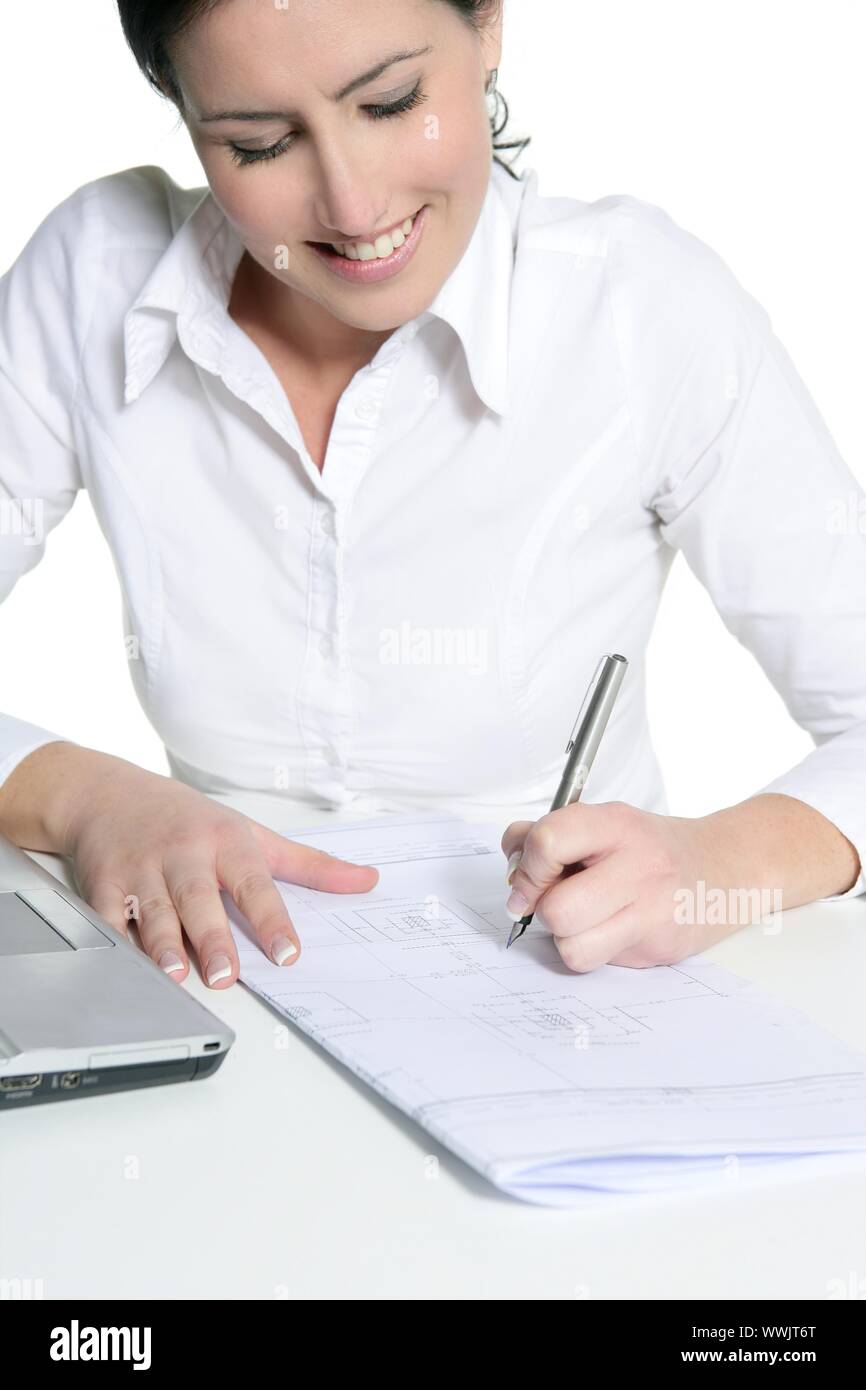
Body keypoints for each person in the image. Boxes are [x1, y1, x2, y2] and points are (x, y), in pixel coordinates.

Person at [1, 0, 864, 990]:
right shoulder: (96, 273)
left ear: (488, 25)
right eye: (260, 142)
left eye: (391, 100)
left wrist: (717, 863)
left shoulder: (637, 311)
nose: (352, 205)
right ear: (180, 105)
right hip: (225, 1006)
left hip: (569, 1015)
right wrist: (77, 794)